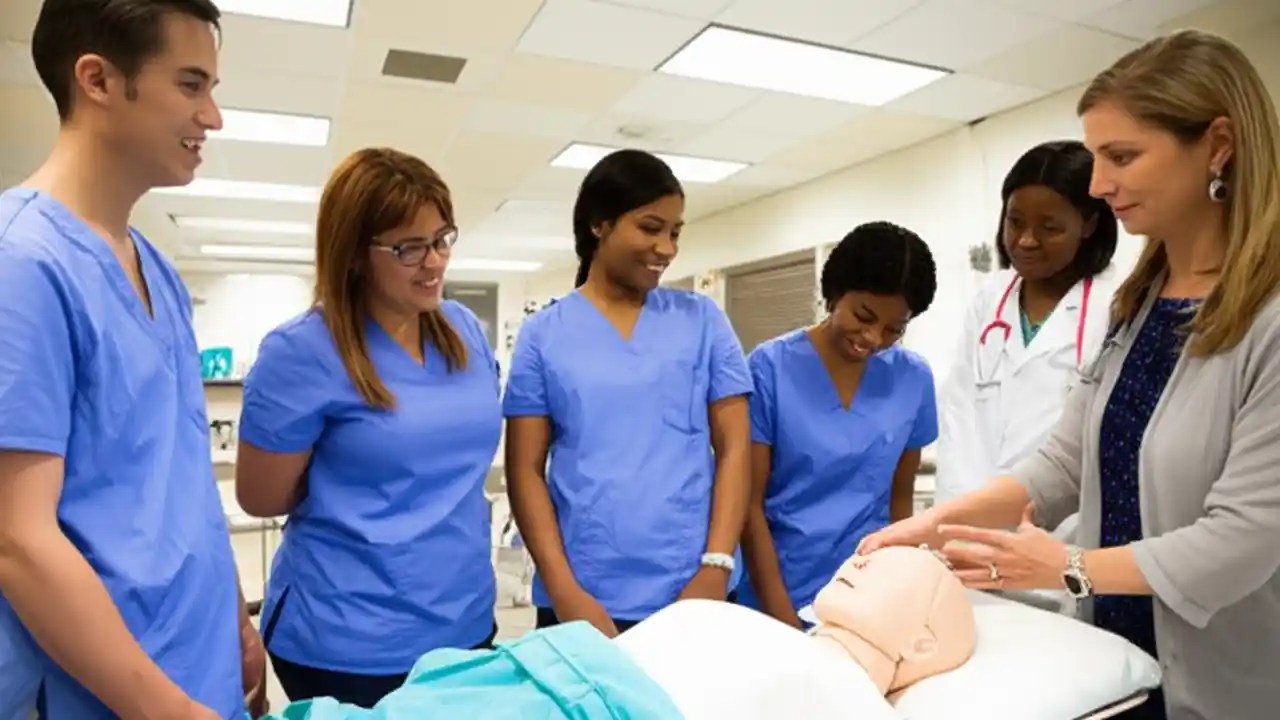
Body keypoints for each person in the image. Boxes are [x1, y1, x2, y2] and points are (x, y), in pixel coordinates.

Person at [859, 29, 1280, 720]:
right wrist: (935, 527)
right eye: (1095, 158)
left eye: (1121, 156)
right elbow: (1060, 463)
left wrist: (1066, 567)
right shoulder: (1140, 304)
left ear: (1219, 145)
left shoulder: (1268, 313)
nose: (1098, 184)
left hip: (1226, 672)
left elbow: (1243, 538)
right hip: (1114, 656)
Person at [0, 1, 264, 719]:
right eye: (190, 84)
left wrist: (235, 618)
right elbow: (17, 540)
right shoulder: (21, 263)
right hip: (114, 691)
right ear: (97, 80)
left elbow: (177, 475)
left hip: (198, 660)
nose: (212, 117)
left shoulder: (156, 268)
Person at [235, 148, 502, 708]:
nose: (434, 262)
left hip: (463, 617)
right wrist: (355, 488)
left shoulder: (463, 330)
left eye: (442, 238)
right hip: (348, 636)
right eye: (408, 247)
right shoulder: (302, 352)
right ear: (354, 254)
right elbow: (261, 496)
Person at [503, 149, 753, 637]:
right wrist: (564, 590)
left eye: (675, 232)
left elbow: (735, 446)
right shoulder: (544, 335)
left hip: (695, 586)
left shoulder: (702, 322)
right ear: (600, 224)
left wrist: (717, 565)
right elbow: (524, 470)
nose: (666, 247)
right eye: (650, 227)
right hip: (583, 593)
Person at [737, 222, 940, 627]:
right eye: (862, 316)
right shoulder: (770, 367)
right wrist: (782, 618)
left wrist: (909, 591)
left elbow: (901, 505)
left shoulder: (912, 377)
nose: (873, 337)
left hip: (868, 590)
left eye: (893, 329)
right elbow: (749, 506)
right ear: (834, 293)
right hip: (777, 587)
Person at [935, 141, 1119, 517]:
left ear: (1089, 224)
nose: (1025, 240)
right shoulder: (989, 301)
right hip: (968, 523)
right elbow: (959, 416)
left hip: (1061, 533)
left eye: (1049, 227)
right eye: (1015, 221)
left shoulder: (1116, 306)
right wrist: (961, 516)